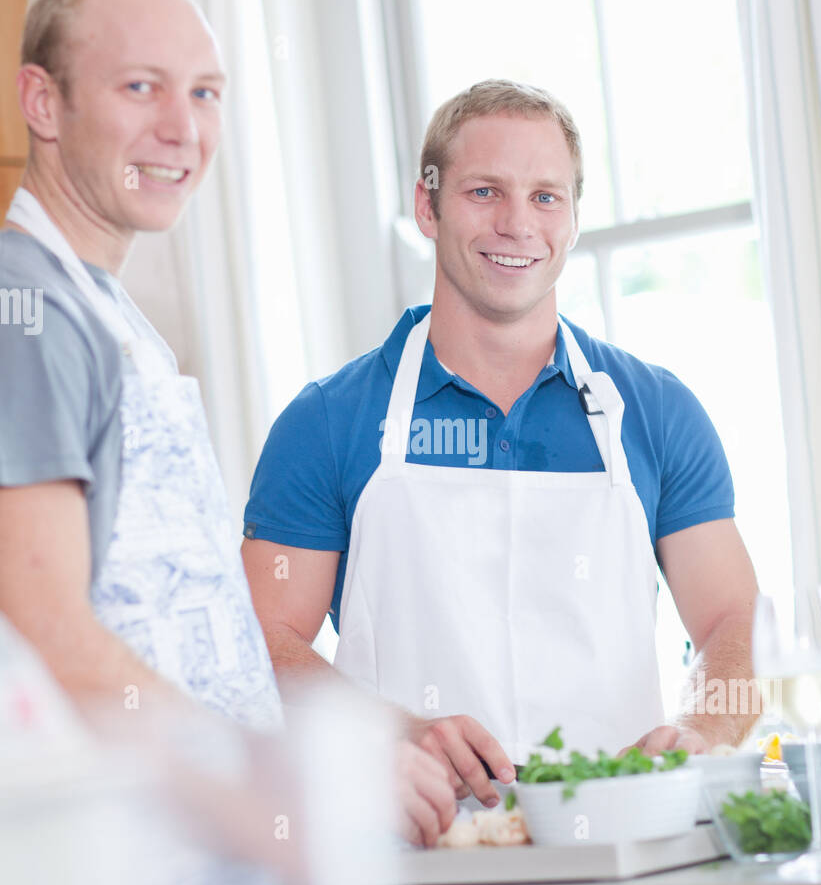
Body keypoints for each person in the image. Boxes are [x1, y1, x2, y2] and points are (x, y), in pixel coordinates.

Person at [0, 0, 453, 885]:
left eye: (205, 91)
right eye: (139, 87)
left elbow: (193, 636)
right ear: (43, 100)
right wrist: (292, 784)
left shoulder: (114, 320)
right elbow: (50, 641)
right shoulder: (27, 315)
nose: (183, 128)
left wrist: (359, 742)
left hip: (194, 879)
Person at [242, 79, 761, 803]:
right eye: (484, 192)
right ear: (427, 206)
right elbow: (259, 646)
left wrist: (701, 731)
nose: (518, 224)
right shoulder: (328, 422)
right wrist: (394, 733)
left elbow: (733, 622)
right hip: (409, 859)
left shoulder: (657, 412)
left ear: (574, 219)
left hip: (623, 843)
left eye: (546, 196)